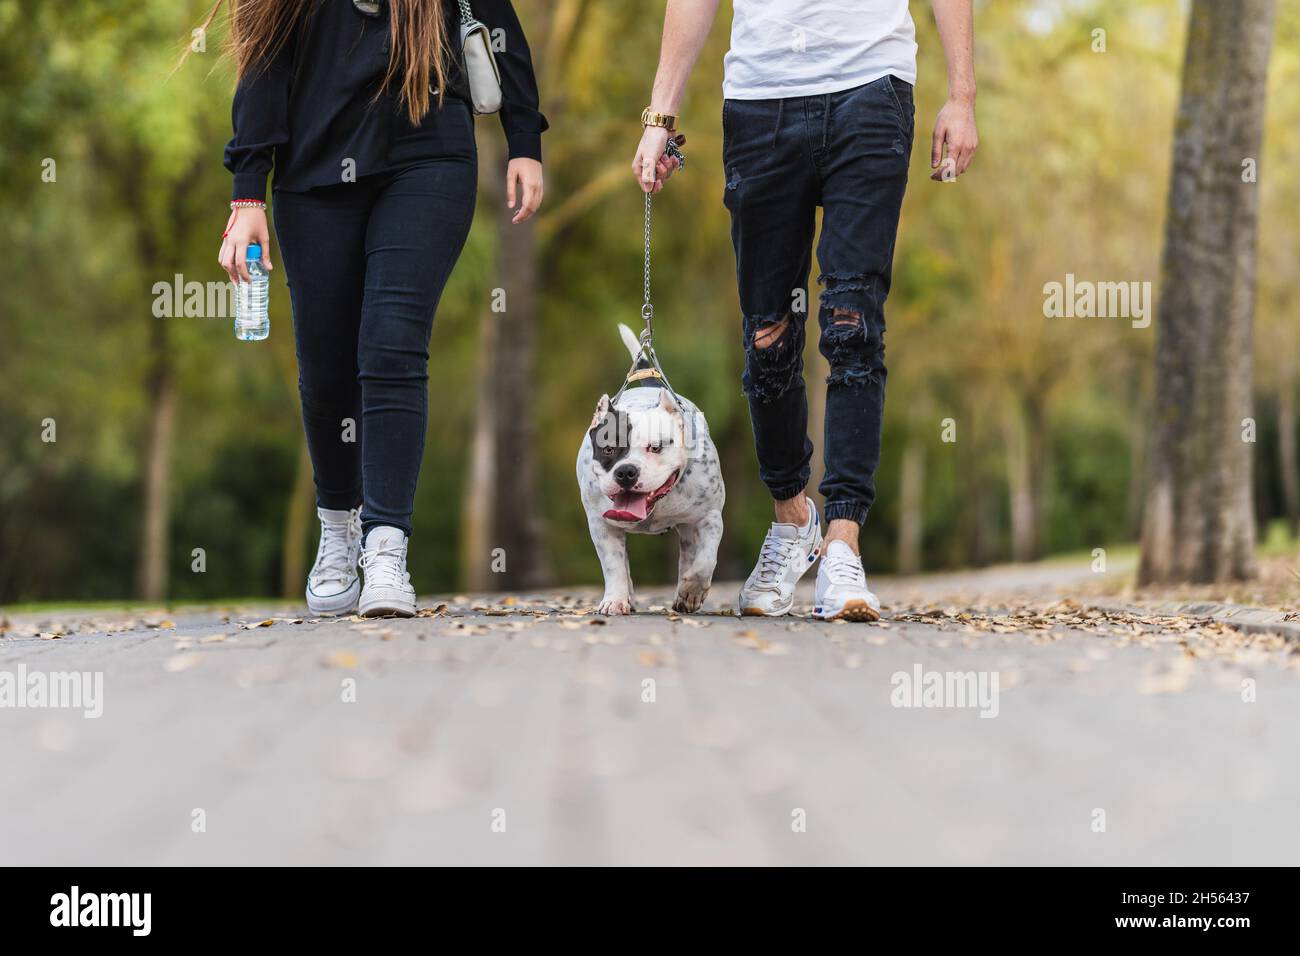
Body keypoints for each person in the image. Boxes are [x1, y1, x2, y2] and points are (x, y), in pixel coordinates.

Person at [632, 0, 977, 621]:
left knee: (853, 323)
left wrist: (962, 94)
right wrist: (661, 114)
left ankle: (843, 543)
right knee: (768, 335)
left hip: (872, 88)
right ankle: (793, 518)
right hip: (760, 100)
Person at [213, 0, 547, 616]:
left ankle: (387, 546)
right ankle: (338, 529)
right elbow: (263, 60)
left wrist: (524, 138)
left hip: (427, 158)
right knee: (325, 368)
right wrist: (246, 193)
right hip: (313, 170)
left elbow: (496, 20)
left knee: (392, 343)